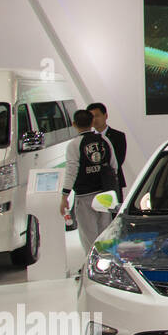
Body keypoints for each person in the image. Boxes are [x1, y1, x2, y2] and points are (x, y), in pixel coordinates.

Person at [61, 109, 119, 256]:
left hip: (84, 194)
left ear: (74, 124)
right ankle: (107, 262)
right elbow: (114, 166)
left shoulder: (74, 145)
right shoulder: (103, 140)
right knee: (105, 231)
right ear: (92, 122)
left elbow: (71, 171)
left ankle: (92, 264)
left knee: (88, 234)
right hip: (104, 193)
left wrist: (65, 196)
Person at [86, 102, 127, 199]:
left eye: (97, 116)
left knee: (113, 211)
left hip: (112, 181)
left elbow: (119, 159)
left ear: (106, 116)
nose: (95, 119)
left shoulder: (118, 136)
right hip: (92, 185)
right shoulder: (87, 138)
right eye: (92, 117)